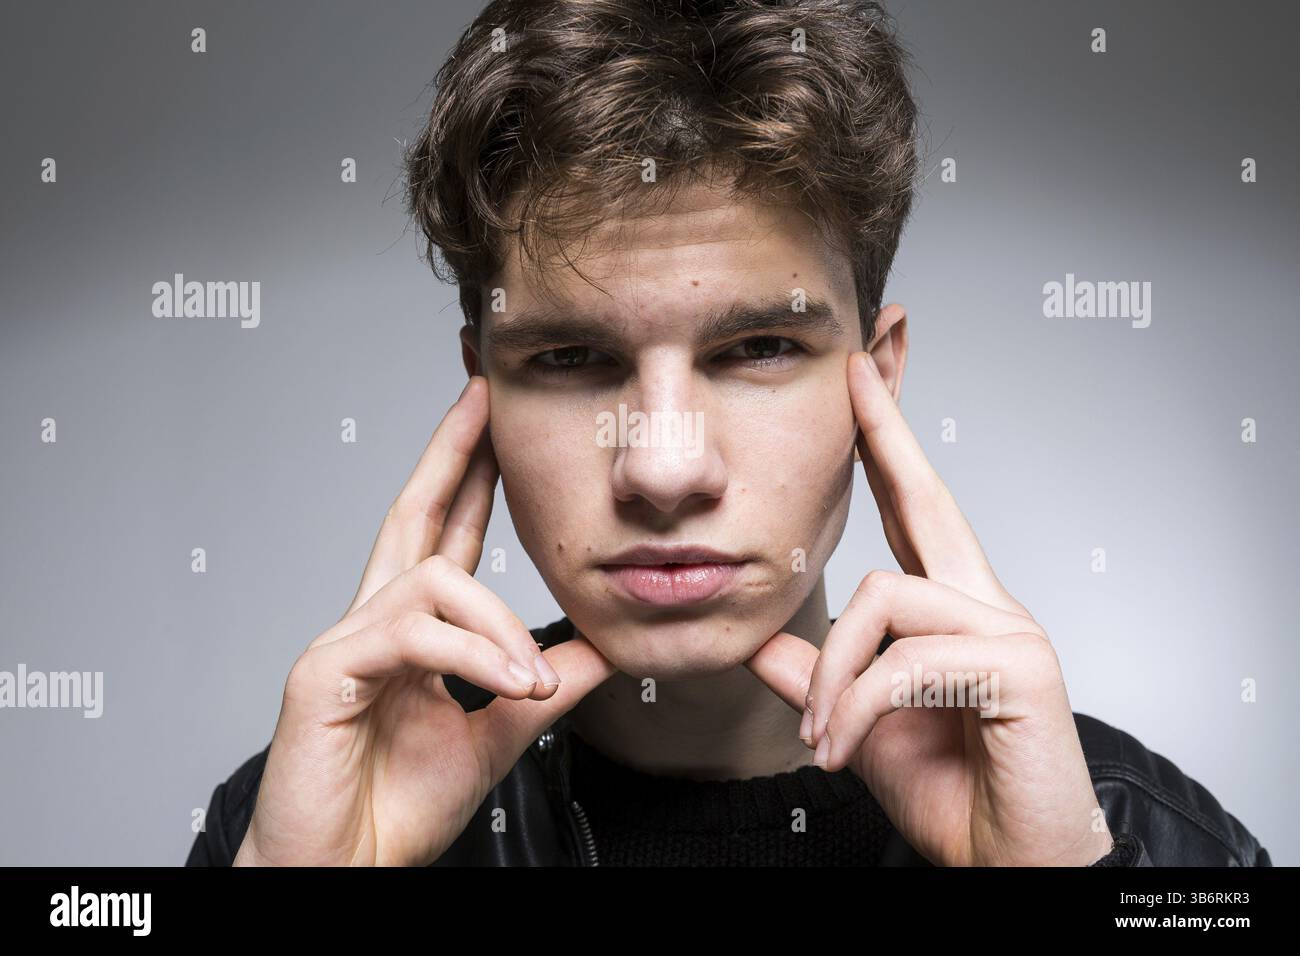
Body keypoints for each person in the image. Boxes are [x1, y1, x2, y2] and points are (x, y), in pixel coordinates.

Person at [187, 0, 1270, 867]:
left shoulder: (1137, 845)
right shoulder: (295, 818)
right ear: (482, 396)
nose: (662, 468)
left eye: (755, 348)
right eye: (570, 359)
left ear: (874, 383)